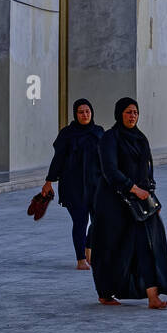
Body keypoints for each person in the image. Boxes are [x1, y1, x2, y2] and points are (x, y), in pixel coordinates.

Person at [90, 98, 167, 308]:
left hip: (138, 205)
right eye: (128, 112)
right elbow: (110, 171)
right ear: (120, 114)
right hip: (112, 204)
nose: (132, 116)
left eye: (135, 112)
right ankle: (105, 292)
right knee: (111, 249)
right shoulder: (110, 138)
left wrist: (151, 196)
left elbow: (147, 171)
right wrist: (133, 188)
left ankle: (153, 296)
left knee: (147, 246)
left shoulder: (140, 138)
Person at [39, 98, 104, 269]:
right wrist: (49, 181)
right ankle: (81, 259)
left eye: (87, 111)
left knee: (100, 220)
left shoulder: (98, 132)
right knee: (80, 221)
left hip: (96, 185)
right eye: (81, 112)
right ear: (75, 114)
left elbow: (107, 160)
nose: (84, 115)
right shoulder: (67, 134)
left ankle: (88, 246)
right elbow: (58, 159)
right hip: (73, 186)